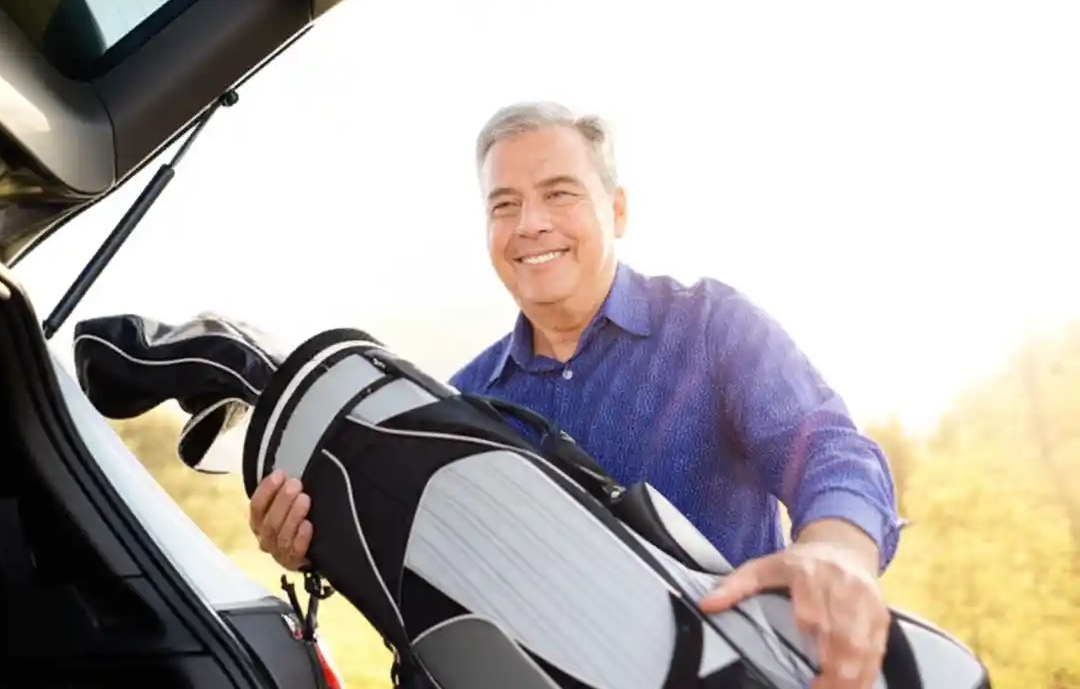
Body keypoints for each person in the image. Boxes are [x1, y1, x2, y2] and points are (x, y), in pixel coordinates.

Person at [248, 101, 903, 689]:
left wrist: (835, 553)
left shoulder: (712, 327)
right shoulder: (460, 403)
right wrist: (313, 541)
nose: (529, 224)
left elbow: (829, 448)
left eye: (558, 194)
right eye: (504, 204)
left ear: (616, 210)